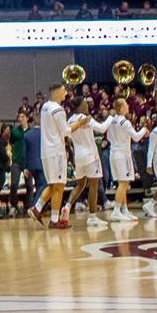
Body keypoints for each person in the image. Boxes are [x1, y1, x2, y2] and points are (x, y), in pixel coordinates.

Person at [29, 77, 72, 228]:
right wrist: (80, 123)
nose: (66, 93)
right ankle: (54, 220)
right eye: (64, 90)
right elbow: (66, 131)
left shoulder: (45, 107)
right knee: (59, 186)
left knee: (53, 184)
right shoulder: (58, 109)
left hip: (46, 152)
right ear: (58, 91)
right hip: (56, 151)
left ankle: (37, 208)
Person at [93, 97, 144, 221]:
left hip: (113, 154)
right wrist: (144, 130)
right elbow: (136, 137)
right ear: (121, 108)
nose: (128, 106)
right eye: (126, 104)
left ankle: (124, 210)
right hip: (123, 154)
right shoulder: (125, 122)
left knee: (122, 183)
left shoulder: (111, 121)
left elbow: (109, 138)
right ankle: (116, 211)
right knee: (124, 183)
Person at [64, 97, 104, 228]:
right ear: (80, 106)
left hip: (78, 156)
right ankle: (92, 217)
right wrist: (111, 117)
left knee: (80, 184)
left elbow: (68, 135)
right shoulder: (86, 118)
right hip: (91, 155)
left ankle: (67, 205)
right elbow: (102, 128)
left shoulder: (70, 120)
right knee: (94, 185)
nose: (87, 105)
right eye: (85, 103)